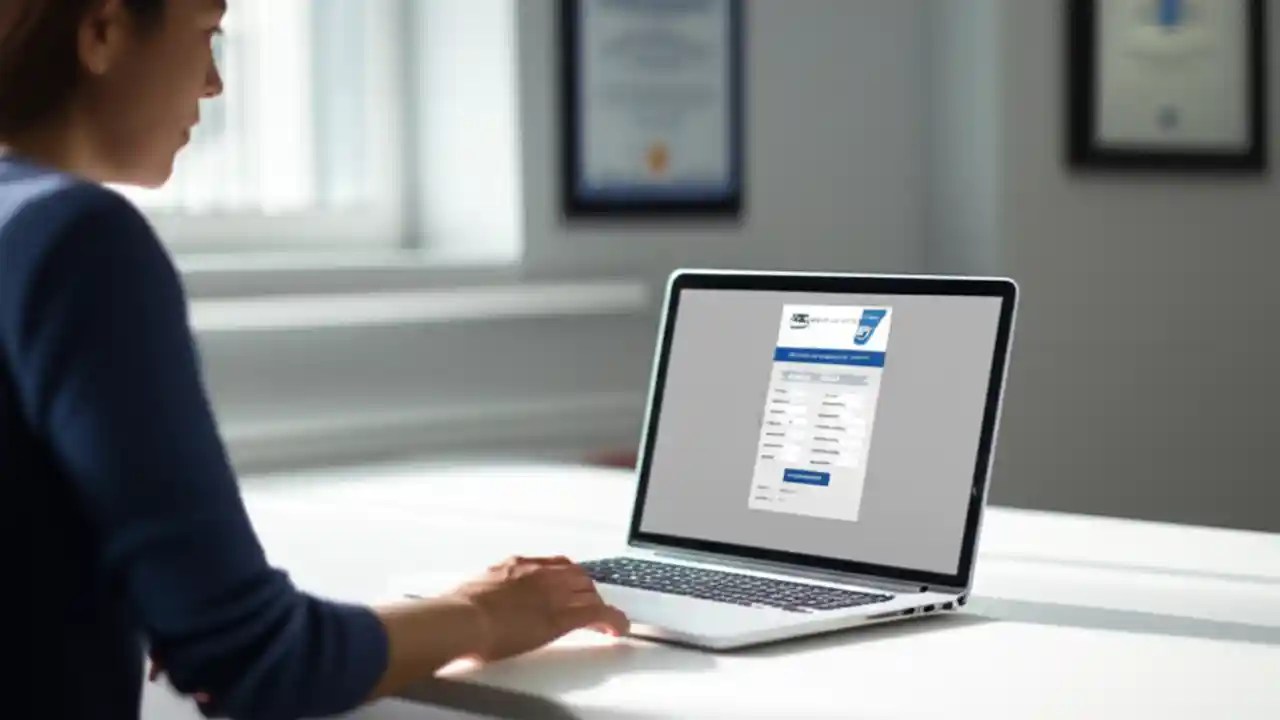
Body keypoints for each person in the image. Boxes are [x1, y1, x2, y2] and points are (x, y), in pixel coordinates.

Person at [0, 1, 629, 718]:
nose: (214, 83)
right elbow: (256, 660)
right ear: (103, 32)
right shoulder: (75, 243)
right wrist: (486, 612)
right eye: (206, 33)